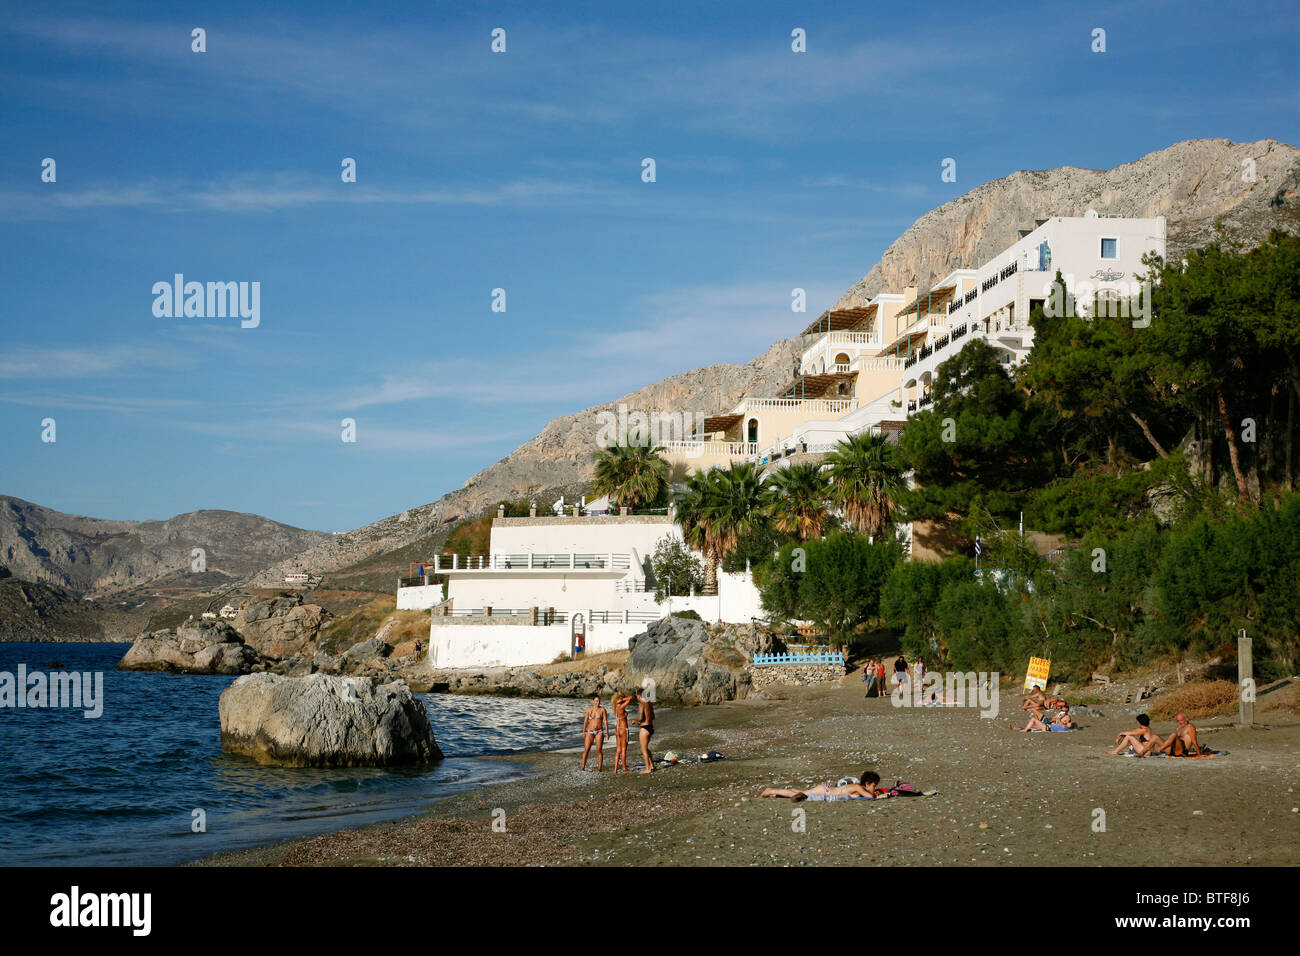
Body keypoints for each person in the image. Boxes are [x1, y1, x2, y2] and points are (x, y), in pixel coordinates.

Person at [761, 770, 890, 802]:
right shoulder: (858, 787)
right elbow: (871, 797)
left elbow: (868, 795)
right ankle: (771, 790)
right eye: (874, 785)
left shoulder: (858, 789)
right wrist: (877, 794)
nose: (875, 787)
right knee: (800, 794)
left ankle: (776, 793)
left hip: (826, 789)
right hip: (826, 791)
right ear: (867, 784)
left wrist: (875, 792)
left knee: (802, 791)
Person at [580, 695, 608, 771]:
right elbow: (585, 721)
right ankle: (583, 767)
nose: (598, 702)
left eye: (599, 701)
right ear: (593, 701)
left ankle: (599, 768)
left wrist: (607, 732)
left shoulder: (602, 710)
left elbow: (605, 721)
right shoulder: (589, 710)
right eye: (596, 701)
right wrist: (583, 731)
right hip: (590, 731)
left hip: (599, 731)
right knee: (586, 749)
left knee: (599, 750)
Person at [611, 689, 635, 773]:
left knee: (618, 749)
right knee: (624, 749)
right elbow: (630, 698)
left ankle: (615, 769)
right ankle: (624, 768)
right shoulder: (621, 706)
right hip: (624, 729)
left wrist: (618, 700)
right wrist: (622, 699)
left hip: (617, 729)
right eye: (621, 698)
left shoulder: (616, 707)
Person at [634, 690, 655, 774]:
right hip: (650, 727)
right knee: (646, 748)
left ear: (639, 696)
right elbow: (653, 717)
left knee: (643, 749)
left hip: (644, 728)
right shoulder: (649, 704)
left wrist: (635, 721)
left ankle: (648, 768)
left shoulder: (641, 704)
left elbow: (640, 718)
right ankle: (652, 765)